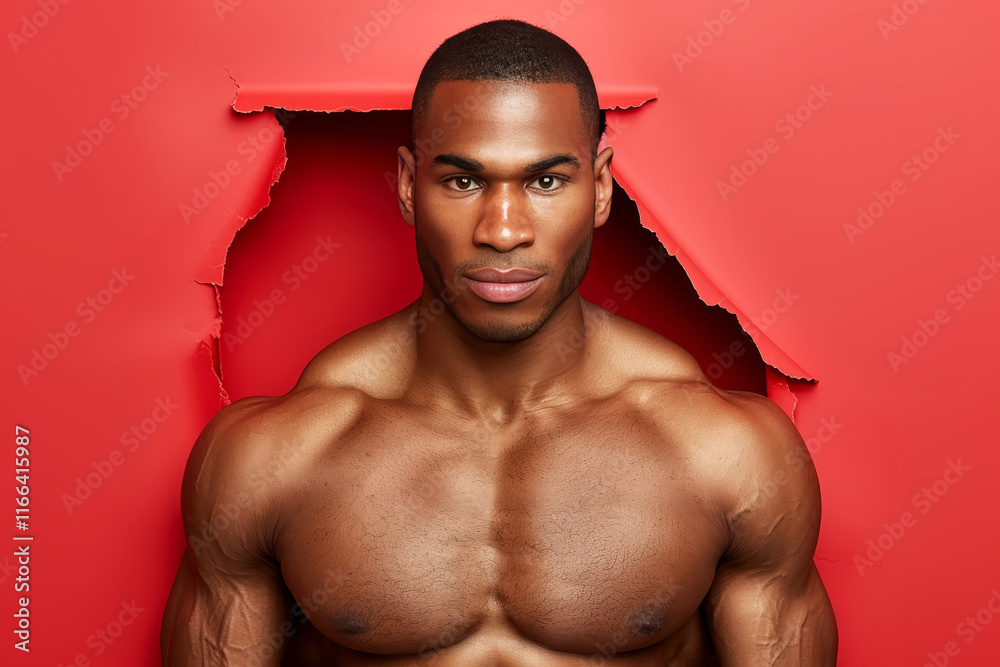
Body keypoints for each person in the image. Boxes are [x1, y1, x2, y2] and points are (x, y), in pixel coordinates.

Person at [161, 18, 837, 666]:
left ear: (599, 188)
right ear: (407, 185)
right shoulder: (270, 457)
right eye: (463, 180)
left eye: (546, 181)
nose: (504, 231)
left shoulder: (728, 452)